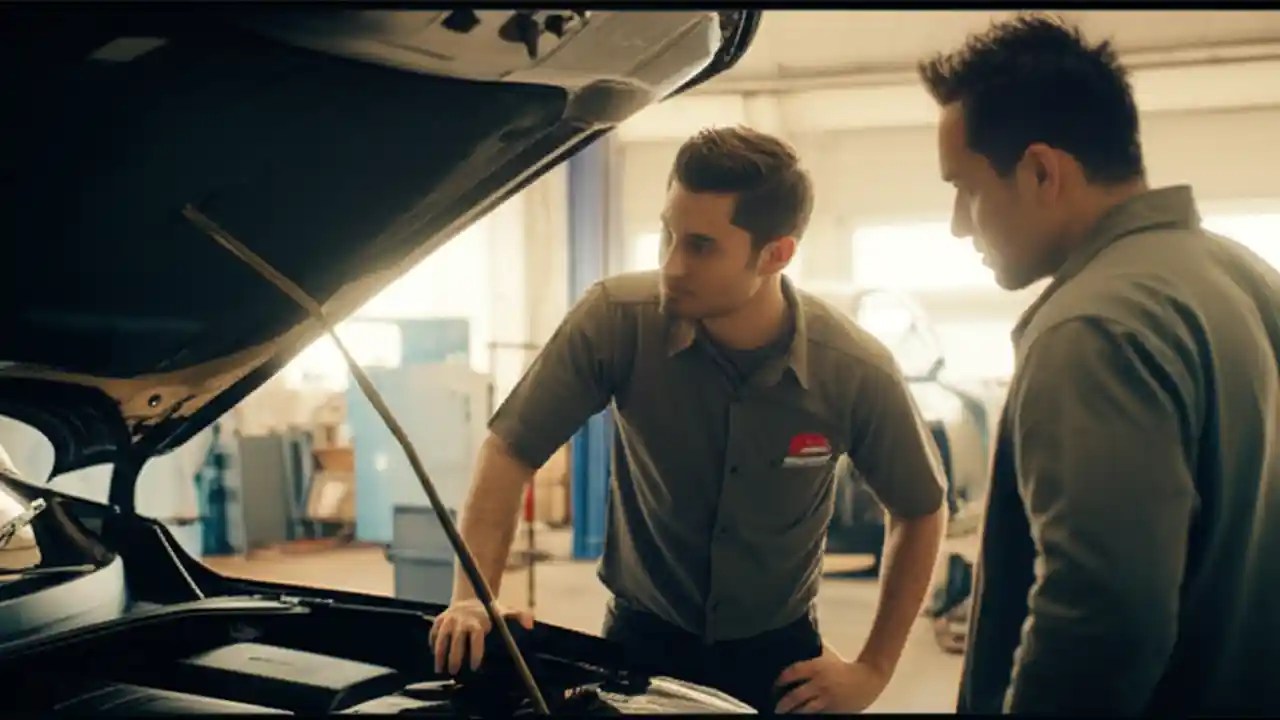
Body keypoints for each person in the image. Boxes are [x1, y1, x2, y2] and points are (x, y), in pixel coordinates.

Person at [428, 126, 948, 713]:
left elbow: (920, 510)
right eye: (667, 234)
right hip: (641, 641)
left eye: (700, 246)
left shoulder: (853, 369)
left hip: (780, 662)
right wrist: (473, 597)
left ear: (776, 253)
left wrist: (872, 670)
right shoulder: (616, 322)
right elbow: (509, 450)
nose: (671, 265)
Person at [917, 13, 1280, 715]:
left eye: (965, 188)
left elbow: (1101, 619)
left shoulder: (1092, 327)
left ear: (1042, 171)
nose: (960, 223)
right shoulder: (1243, 275)